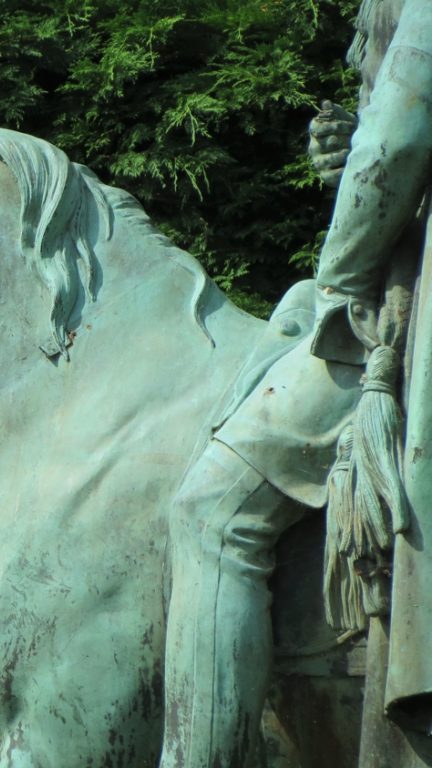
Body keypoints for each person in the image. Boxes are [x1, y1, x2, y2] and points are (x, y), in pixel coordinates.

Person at [159, 1, 432, 765]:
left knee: (211, 512)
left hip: (409, 313)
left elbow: (403, 138)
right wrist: (356, 157)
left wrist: (342, 280)